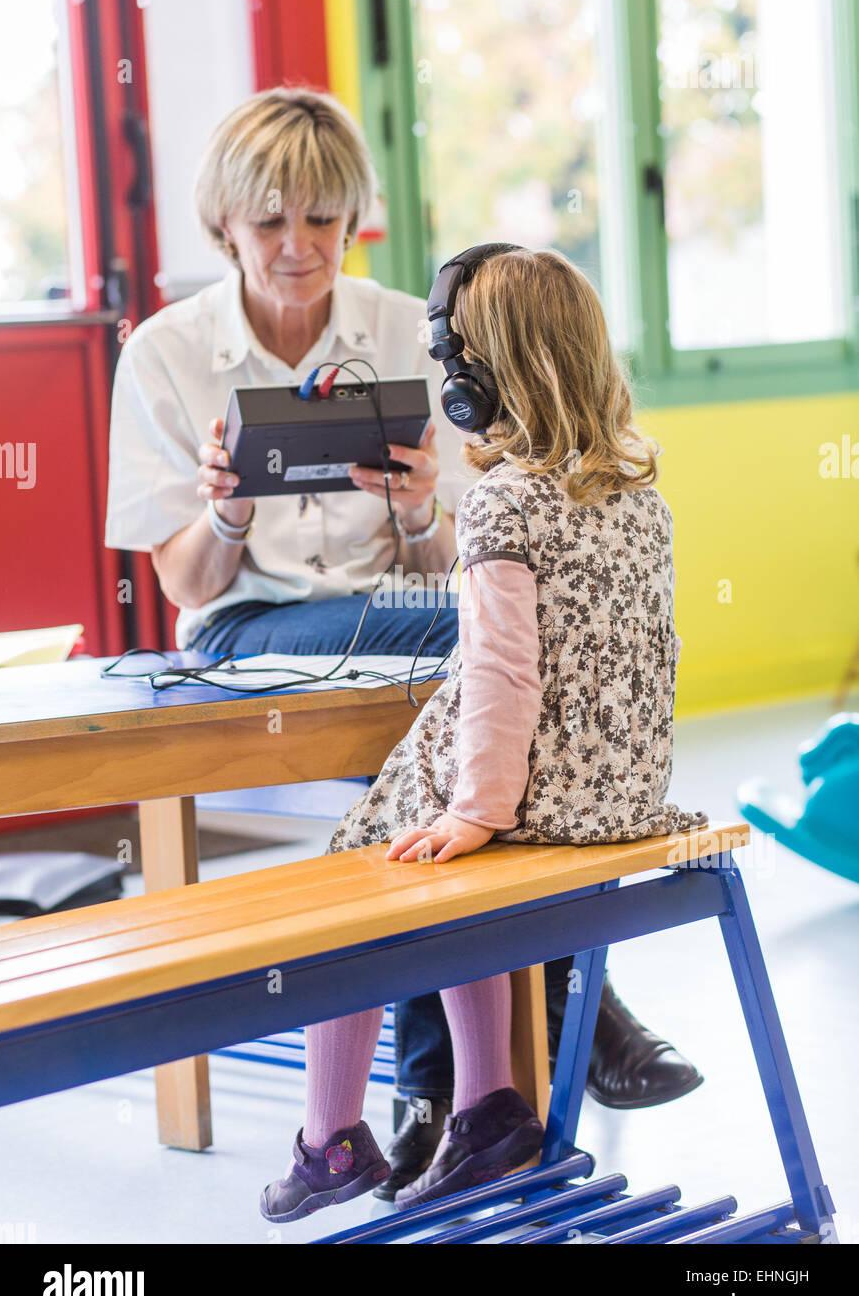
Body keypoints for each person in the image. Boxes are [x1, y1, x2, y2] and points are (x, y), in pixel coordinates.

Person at [103, 87, 701, 1181]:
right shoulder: (165, 351)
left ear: (353, 220)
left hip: (414, 611)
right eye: (272, 220)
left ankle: (440, 1092)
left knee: (473, 685)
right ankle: (554, 1005)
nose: (299, 248)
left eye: (323, 221)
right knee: (481, 679)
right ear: (223, 224)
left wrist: (423, 507)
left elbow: (473, 567)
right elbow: (181, 584)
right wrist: (227, 508)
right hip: (253, 625)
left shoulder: (406, 325)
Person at [259, 245, 707, 1222]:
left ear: (475, 382)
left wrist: (477, 807)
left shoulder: (504, 502)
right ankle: (483, 1105)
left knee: (358, 873)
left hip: (529, 792)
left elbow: (504, 674)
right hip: (623, 793)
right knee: (454, 876)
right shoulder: (641, 496)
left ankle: (328, 1137)